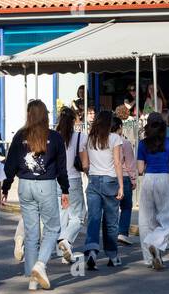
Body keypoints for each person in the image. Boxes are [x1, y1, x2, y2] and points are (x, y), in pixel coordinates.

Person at [4, 99, 70, 290]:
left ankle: (32, 279)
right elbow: (61, 168)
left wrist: (6, 187)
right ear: (45, 115)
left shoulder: (20, 136)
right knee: (52, 228)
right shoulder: (55, 137)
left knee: (32, 232)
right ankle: (40, 264)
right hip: (46, 185)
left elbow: (10, 165)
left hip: (24, 185)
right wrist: (65, 189)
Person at [81, 110, 127, 269]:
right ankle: (113, 255)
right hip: (110, 180)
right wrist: (121, 185)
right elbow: (117, 163)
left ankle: (92, 250)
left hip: (93, 180)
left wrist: (91, 175)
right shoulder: (115, 138)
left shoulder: (89, 139)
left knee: (94, 218)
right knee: (111, 221)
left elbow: (85, 165)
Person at [135, 112, 169, 269]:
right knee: (165, 220)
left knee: (146, 220)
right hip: (165, 179)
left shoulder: (142, 144)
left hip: (148, 179)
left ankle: (149, 258)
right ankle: (156, 245)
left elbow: (140, 169)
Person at [55, 106, 87, 263]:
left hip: (56, 180)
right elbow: (85, 162)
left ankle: (62, 251)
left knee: (63, 214)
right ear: (74, 120)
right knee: (78, 216)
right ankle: (66, 240)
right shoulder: (80, 137)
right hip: (73, 179)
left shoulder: (54, 137)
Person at [114, 104, 138, 245]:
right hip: (124, 176)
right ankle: (122, 232)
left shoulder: (105, 142)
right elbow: (130, 163)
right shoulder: (125, 143)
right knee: (126, 206)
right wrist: (134, 179)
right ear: (120, 128)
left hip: (110, 176)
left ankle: (112, 232)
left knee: (112, 208)